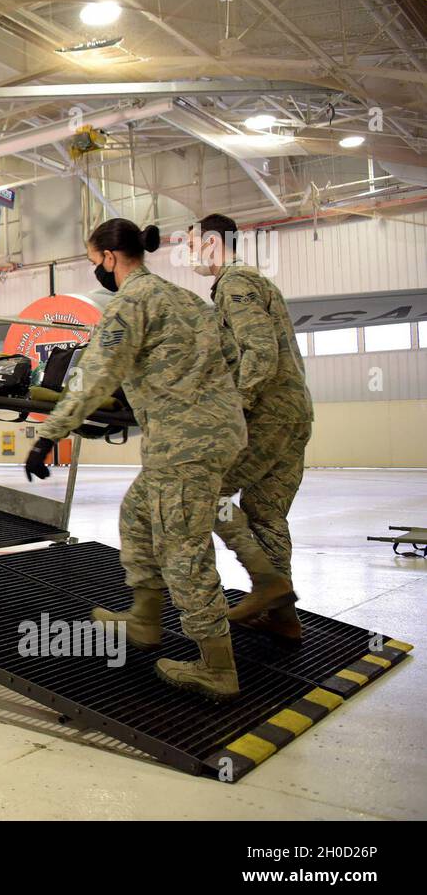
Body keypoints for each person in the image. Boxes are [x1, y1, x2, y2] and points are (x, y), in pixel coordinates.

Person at [25, 219, 248, 700]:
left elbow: (96, 375)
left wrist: (48, 436)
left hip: (185, 445)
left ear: (109, 257)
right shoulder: (186, 298)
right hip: (218, 433)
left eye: (92, 261)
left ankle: (218, 667)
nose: (95, 271)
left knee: (183, 550)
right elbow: (230, 354)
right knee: (138, 511)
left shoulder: (130, 302)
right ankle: (145, 621)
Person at [192, 213, 313, 641]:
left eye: (192, 243)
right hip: (294, 413)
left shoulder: (234, 283)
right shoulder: (254, 281)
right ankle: (283, 618)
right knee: (265, 513)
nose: (190, 253)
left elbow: (258, 350)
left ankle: (266, 585)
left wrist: (237, 408)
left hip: (267, 415)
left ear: (209, 242)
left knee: (202, 490)